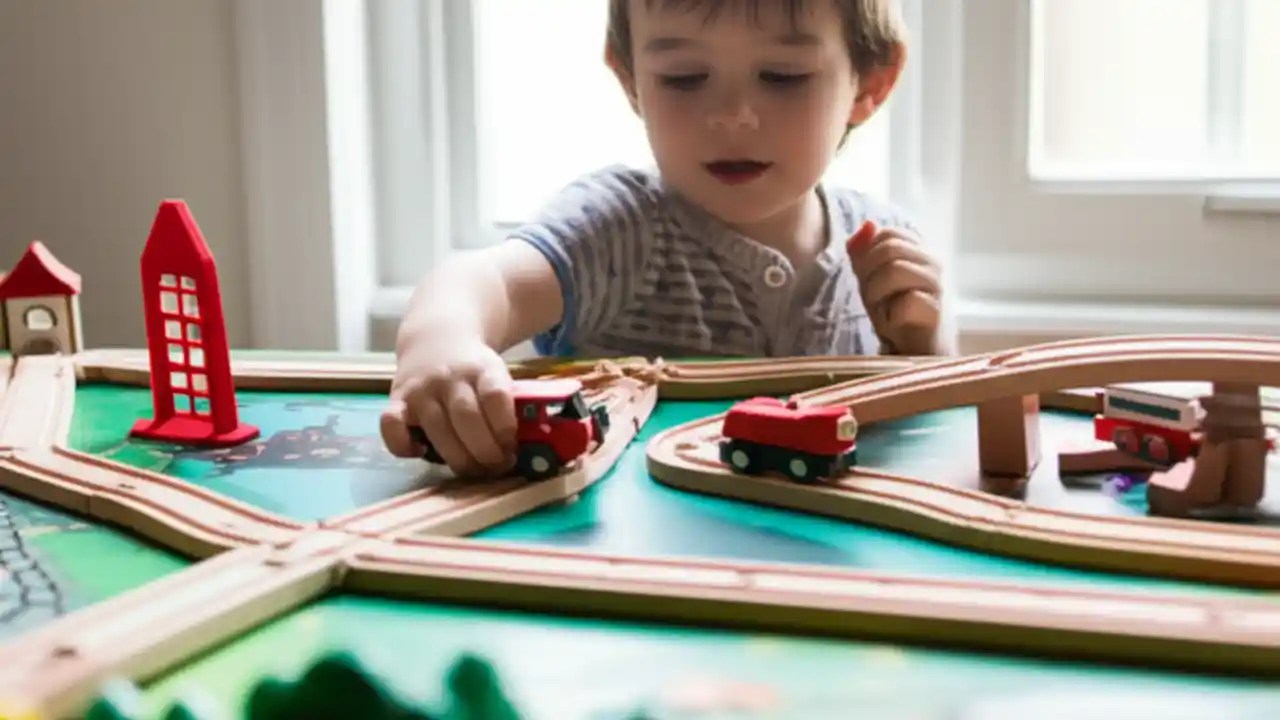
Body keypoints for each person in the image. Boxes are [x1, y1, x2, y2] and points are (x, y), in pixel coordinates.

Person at [381, 0, 953, 476]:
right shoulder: (618, 227)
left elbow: (922, 441)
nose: (732, 115)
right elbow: (483, 283)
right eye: (684, 78)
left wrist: (920, 351)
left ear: (870, 83)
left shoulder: (882, 248)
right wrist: (440, 345)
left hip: (807, 585)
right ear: (631, 80)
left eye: (783, 76)